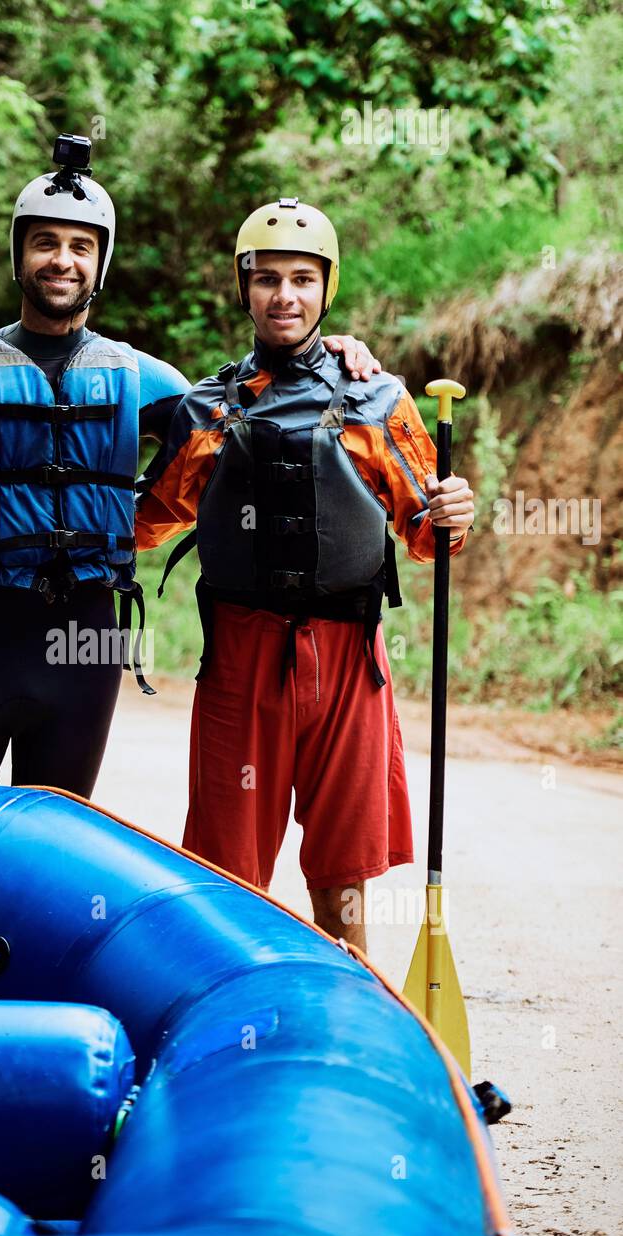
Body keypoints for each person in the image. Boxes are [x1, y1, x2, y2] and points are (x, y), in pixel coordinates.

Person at [0, 148, 382, 799]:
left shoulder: (143, 379)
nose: (62, 259)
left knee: (49, 845)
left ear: (99, 263)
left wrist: (327, 354)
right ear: (18, 255)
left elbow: (250, 424)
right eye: (45, 243)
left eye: (80, 246)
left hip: (87, 650)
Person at [135, 199, 475, 949]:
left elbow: (425, 537)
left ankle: (349, 1003)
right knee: (228, 872)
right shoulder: (206, 409)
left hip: (348, 657)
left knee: (340, 869)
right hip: (241, 655)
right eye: (265, 280)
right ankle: (237, 1021)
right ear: (242, 288)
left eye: (300, 279)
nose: (283, 296)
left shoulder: (376, 400)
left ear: (326, 289)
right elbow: (144, 524)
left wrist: (452, 510)